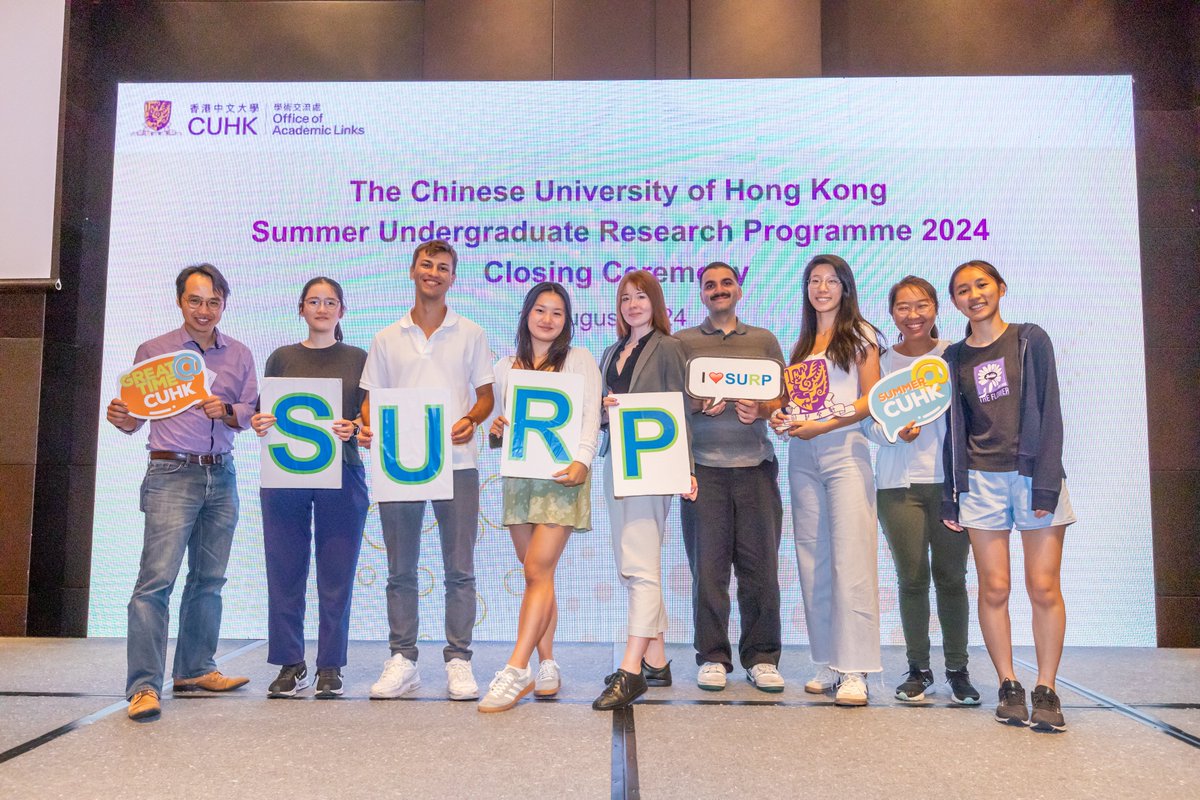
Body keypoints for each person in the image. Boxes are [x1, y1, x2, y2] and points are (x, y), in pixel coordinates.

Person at [106, 263, 257, 721]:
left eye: (213, 302)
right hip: (170, 472)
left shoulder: (240, 354)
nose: (204, 310)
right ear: (179, 301)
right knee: (155, 582)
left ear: (224, 304)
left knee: (209, 580)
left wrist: (226, 410)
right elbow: (134, 418)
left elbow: (249, 410)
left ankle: (194, 669)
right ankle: (144, 687)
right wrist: (122, 418)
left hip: (222, 473)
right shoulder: (154, 352)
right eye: (195, 300)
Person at [940, 260, 1075, 732]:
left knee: (1043, 587)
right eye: (963, 290)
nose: (974, 294)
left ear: (1000, 288)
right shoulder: (952, 357)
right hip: (980, 481)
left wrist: (1046, 483)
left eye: (981, 284)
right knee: (994, 588)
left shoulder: (1029, 339)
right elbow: (952, 430)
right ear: (954, 301)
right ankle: (1008, 685)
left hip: (1033, 476)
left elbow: (1050, 410)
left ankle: (1046, 689)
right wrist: (951, 495)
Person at [360, 240, 495, 701]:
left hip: (457, 464)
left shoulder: (471, 333)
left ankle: (459, 660)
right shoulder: (386, 337)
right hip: (400, 465)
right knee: (400, 569)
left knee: (460, 568)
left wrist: (471, 419)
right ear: (412, 270)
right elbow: (371, 400)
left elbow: (486, 396)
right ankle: (403, 659)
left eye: (443, 267)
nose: (433, 272)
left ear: (453, 277)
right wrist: (368, 426)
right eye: (426, 264)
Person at [477, 282, 601, 712]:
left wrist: (583, 460)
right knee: (538, 576)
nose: (548, 319)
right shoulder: (504, 366)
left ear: (567, 321)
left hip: (561, 478)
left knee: (536, 570)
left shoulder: (579, 359)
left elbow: (590, 416)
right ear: (526, 314)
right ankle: (547, 663)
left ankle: (517, 668)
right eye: (540, 310)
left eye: (557, 313)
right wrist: (495, 430)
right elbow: (499, 427)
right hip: (519, 480)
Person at [250, 277, 370, 699]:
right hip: (286, 476)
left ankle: (330, 665)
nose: (322, 309)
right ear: (300, 308)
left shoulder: (359, 358)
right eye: (314, 302)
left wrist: (355, 426)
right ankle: (291, 663)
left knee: (337, 574)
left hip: (343, 472)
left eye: (330, 302)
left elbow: (368, 421)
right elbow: (264, 413)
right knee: (284, 569)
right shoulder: (281, 357)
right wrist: (259, 422)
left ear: (342, 310)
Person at [862, 276, 979, 705]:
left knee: (952, 578)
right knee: (911, 579)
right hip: (898, 487)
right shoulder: (880, 361)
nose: (913, 315)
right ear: (892, 313)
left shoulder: (955, 354)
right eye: (903, 307)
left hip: (950, 485)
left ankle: (958, 670)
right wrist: (893, 432)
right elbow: (866, 421)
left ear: (935, 308)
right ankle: (918, 669)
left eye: (922, 305)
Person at [771, 254, 882, 707]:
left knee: (851, 559)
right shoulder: (800, 345)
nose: (821, 288)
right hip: (802, 454)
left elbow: (871, 398)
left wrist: (824, 424)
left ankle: (855, 668)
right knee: (812, 558)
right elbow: (792, 403)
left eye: (831, 281)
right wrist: (781, 416)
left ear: (845, 288)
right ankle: (828, 661)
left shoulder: (861, 335)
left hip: (844, 451)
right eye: (814, 281)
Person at [676, 262, 786, 693]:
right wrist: (698, 403)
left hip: (756, 467)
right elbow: (669, 400)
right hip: (702, 471)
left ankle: (762, 657)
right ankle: (713, 657)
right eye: (710, 285)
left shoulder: (764, 340)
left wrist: (761, 409)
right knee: (708, 571)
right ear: (701, 294)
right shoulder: (683, 342)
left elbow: (783, 399)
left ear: (739, 290)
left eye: (726, 283)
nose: (718, 290)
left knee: (761, 570)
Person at [592, 270, 696, 711]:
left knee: (639, 565)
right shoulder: (611, 350)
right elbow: (603, 412)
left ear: (656, 303)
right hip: (616, 461)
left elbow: (681, 409)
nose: (632, 305)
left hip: (653, 464)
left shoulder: (669, 347)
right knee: (632, 562)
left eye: (641, 297)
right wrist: (602, 410)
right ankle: (656, 660)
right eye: (625, 298)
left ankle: (631, 669)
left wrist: (686, 469)